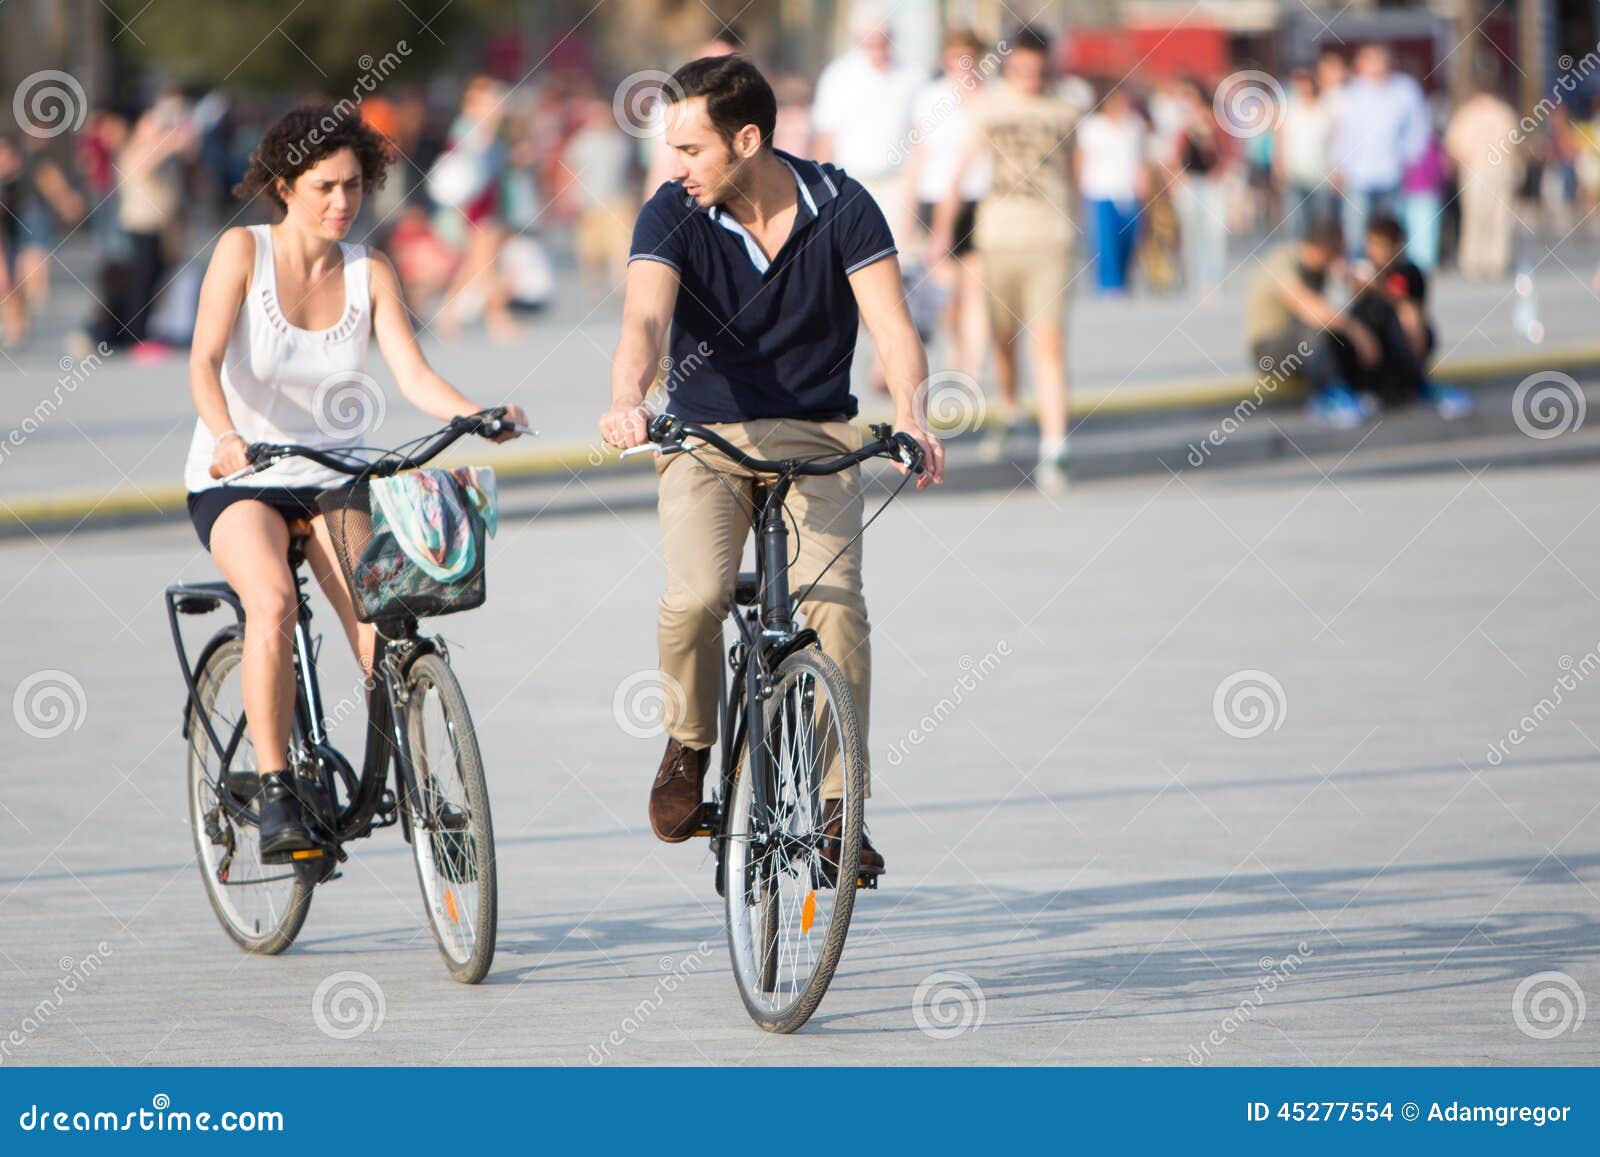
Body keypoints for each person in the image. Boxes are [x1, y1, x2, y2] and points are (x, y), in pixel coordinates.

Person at [600, 55, 944, 877]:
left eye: (691, 148)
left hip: (818, 434)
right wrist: (627, 399)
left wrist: (915, 416)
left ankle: (837, 809)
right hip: (705, 437)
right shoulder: (671, 213)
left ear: (745, 139)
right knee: (697, 597)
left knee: (838, 613)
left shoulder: (842, 205)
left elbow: (893, 328)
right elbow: (644, 321)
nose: (675, 166)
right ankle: (687, 746)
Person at [185, 107, 526, 860]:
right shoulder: (243, 251)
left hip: (334, 477)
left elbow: (412, 374)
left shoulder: (369, 269)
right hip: (241, 476)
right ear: (285, 186)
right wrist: (226, 436)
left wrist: (479, 414)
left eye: (354, 187)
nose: (342, 203)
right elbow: (203, 362)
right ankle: (275, 789)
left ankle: (428, 789)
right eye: (324, 187)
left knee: (386, 626)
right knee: (270, 601)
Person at [938, 25, 1078, 492]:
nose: (1029, 76)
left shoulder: (1067, 110)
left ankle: (1055, 447)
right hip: (997, 236)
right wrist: (942, 232)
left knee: (1050, 341)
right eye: (1020, 67)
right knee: (1003, 337)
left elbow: (1076, 177)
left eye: (1037, 68)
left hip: (1050, 239)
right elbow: (960, 172)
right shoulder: (988, 108)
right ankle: (1011, 408)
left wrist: (1078, 232)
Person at [907, 27, 991, 399]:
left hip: (980, 197)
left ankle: (971, 365)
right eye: (957, 57)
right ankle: (956, 350)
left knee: (978, 289)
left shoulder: (991, 97)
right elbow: (919, 152)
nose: (964, 65)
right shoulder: (931, 98)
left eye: (970, 57)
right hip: (936, 195)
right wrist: (909, 210)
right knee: (947, 292)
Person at [1244, 217, 1381, 428]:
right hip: (1268, 348)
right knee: (1316, 325)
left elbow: (1339, 310)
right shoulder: (1282, 261)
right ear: (1321, 250)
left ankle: (1361, 388)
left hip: (1303, 345)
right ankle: (1329, 397)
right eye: (1337, 253)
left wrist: (1344, 282)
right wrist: (1355, 331)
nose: (1339, 258)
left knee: (1352, 320)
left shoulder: (1323, 269)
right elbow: (1309, 308)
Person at [810, 5, 921, 249]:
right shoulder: (839, 75)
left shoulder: (912, 76)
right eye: (871, 40)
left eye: (882, 39)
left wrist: (911, 195)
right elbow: (825, 139)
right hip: (850, 182)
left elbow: (919, 142)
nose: (877, 46)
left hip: (896, 186)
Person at [1351, 214, 1470, 417]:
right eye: (1373, 245)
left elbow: (1411, 308)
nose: (1377, 252)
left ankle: (1413, 382)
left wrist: (1377, 286)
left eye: (1383, 246)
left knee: (1408, 320)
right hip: (1371, 339)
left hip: (1399, 338)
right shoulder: (1361, 270)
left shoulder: (1408, 272)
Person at [1330, 44, 1427, 256]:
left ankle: (1391, 274)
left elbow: (1418, 128)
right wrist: (1339, 166)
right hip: (1359, 175)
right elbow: (1341, 134)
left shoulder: (1404, 90)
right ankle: (1358, 275)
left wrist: (1409, 158)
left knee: (1389, 230)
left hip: (1391, 172)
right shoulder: (1351, 94)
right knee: (1356, 231)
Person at [1445, 79, 1520, 279]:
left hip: (1475, 168)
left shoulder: (1466, 114)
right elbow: (1514, 145)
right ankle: (1497, 260)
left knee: (1474, 216)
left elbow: (1454, 146)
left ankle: (1473, 261)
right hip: (1500, 168)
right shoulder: (1504, 113)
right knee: (1499, 216)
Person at [1075, 86, 1146, 295]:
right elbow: (1081, 157)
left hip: (1128, 190)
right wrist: (1080, 185)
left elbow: (1140, 158)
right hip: (1100, 189)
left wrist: (1142, 182)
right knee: (1105, 239)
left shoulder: (1135, 125)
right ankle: (1109, 284)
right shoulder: (1092, 126)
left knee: (1129, 236)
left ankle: (1124, 278)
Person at [1166, 78, 1228, 300]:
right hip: (1190, 184)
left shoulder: (1218, 126)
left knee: (1214, 233)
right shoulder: (1184, 128)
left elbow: (1226, 155)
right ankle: (1194, 280)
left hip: (1213, 185)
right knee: (1192, 234)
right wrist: (1176, 180)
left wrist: (1206, 133)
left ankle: (1212, 281)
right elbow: (1175, 157)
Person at [1276, 67, 1336, 238]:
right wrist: (1279, 166)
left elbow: (1333, 141)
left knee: (1320, 220)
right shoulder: (1290, 109)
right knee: (1296, 221)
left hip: (1320, 173)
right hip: (1295, 172)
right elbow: (1281, 139)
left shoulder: (1324, 108)